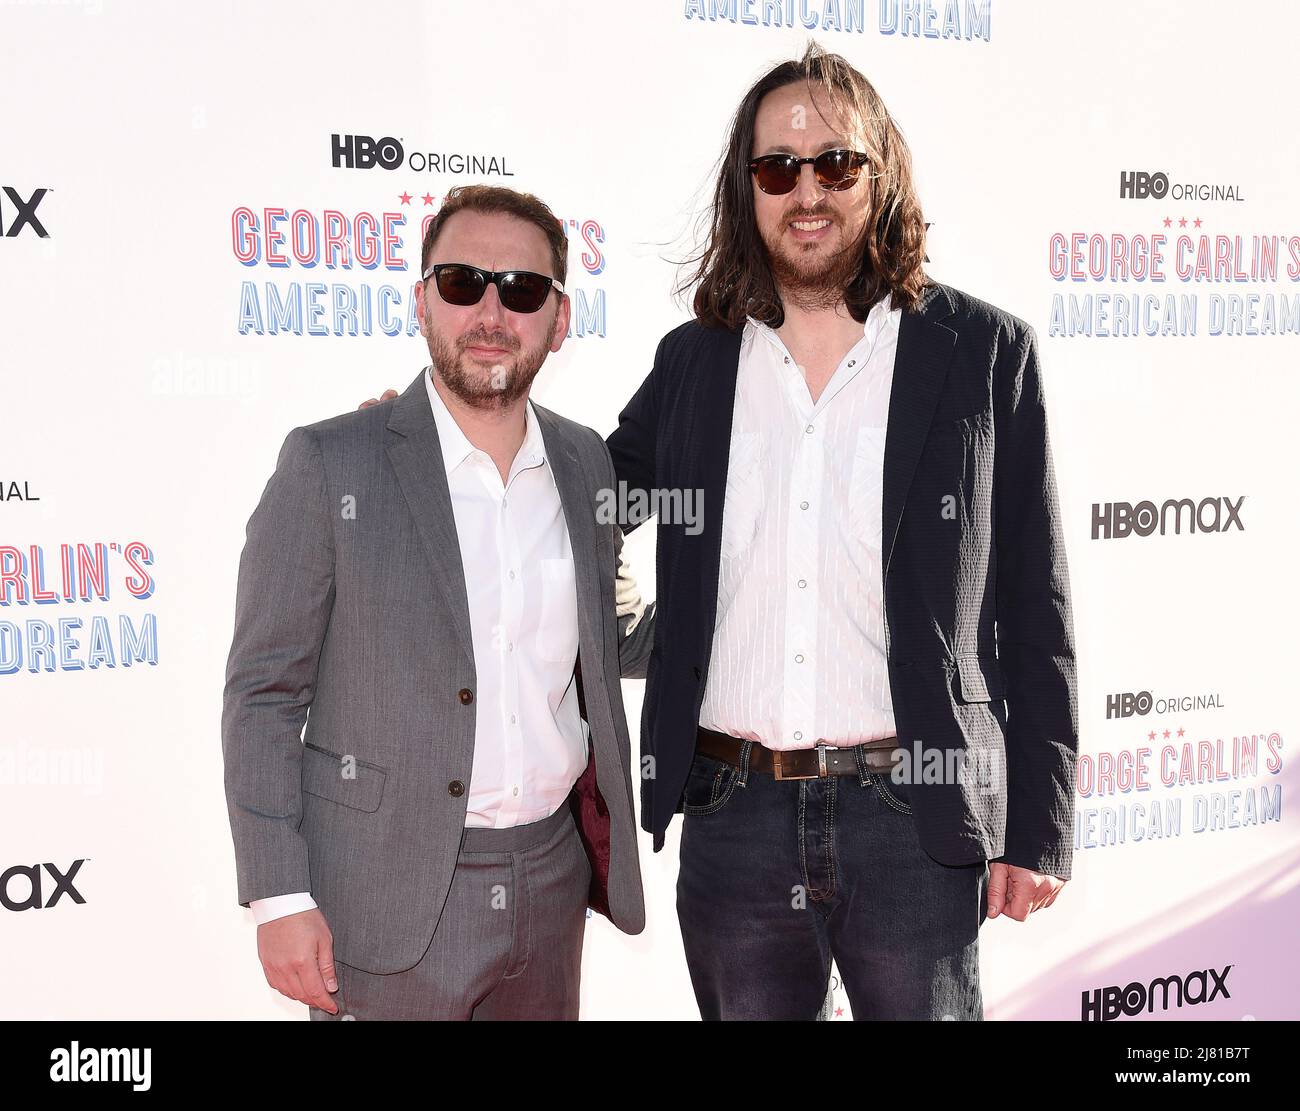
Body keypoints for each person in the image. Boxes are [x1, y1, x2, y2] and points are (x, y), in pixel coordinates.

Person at [607, 43, 1079, 1020]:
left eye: (835, 163)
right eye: (778, 168)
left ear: (882, 174)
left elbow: (1037, 608)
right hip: (733, 819)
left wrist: (1037, 826)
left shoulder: (984, 354)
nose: (806, 190)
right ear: (748, 192)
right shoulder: (696, 362)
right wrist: (447, 441)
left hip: (914, 818)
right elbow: (582, 501)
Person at [223, 184, 654, 1020]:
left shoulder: (585, 462)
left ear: (560, 320)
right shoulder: (329, 464)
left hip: (552, 878)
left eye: (521, 289)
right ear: (422, 299)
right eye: (462, 283)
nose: (491, 310)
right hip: (384, 889)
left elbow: (614, 635)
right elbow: (263, 692)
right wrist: (277, 891)